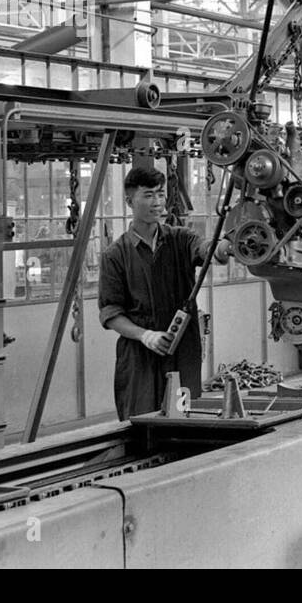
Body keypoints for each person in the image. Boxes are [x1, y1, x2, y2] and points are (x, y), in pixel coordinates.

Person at [98, 168, 231, 421]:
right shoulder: (115, 255)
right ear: (129, 202)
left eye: (160, 194)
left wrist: (225, 247)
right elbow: (111, 312)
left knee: (182, 418)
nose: (157, 202)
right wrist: (145, 336)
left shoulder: (181, 239)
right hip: (140, 358)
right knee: (140, 421)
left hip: (181, 351)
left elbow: (204, 248)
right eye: (148, 195)